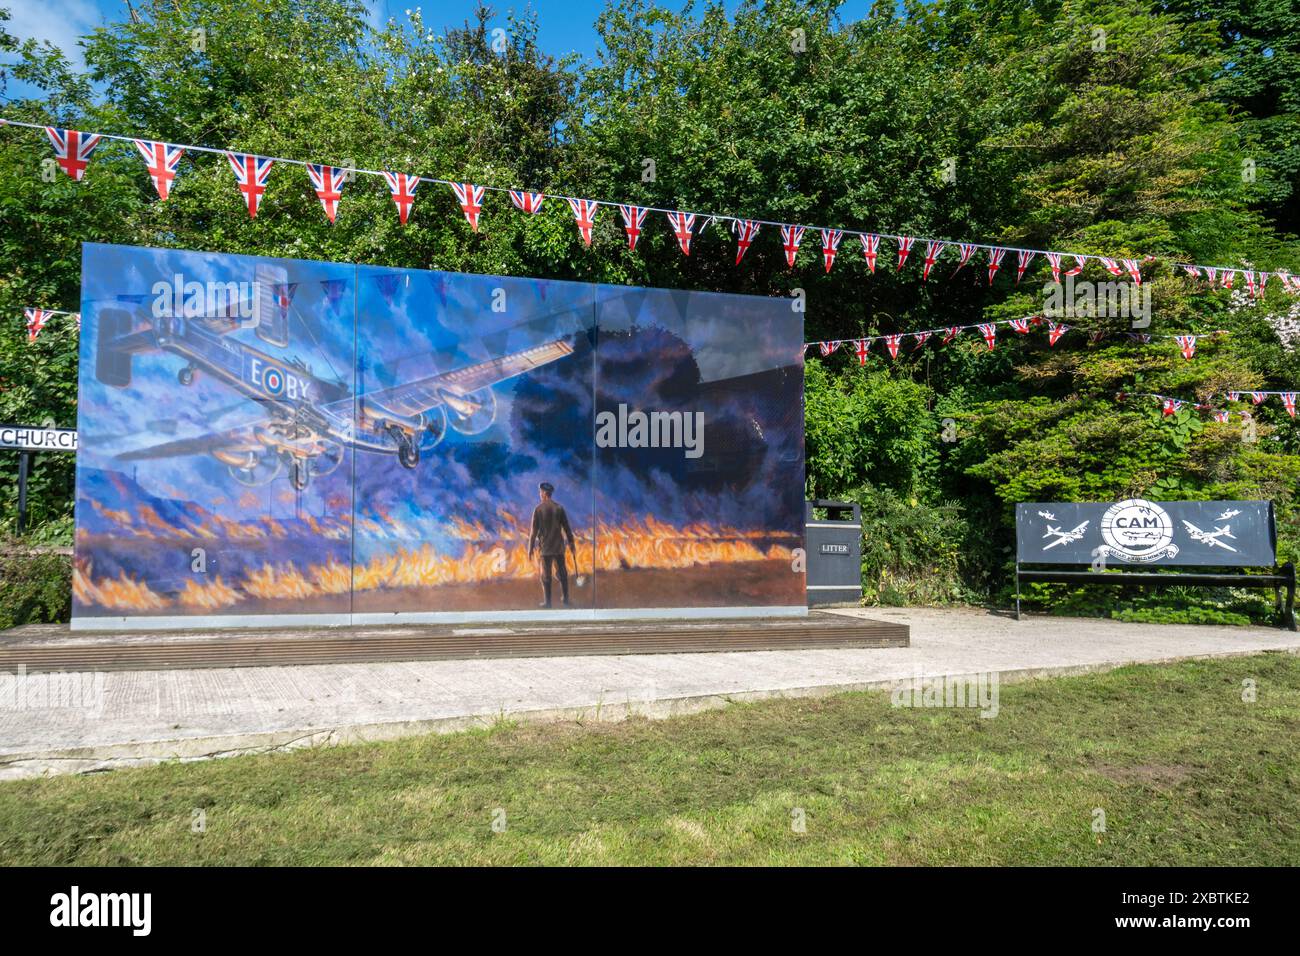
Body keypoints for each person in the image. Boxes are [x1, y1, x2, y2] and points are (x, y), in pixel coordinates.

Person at [527, 481, 578, 608]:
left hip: (545, 549)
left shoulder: (538, 509)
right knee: (562, 573)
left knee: (546, 576)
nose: (540, 494)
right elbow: (567, 528)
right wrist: (571, 543)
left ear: (544, 493)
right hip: (559, 547)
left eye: (540, 492)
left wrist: (530, 548)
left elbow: (533, 532)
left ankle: (548, 602)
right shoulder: (559, 508)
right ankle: (566, 599)